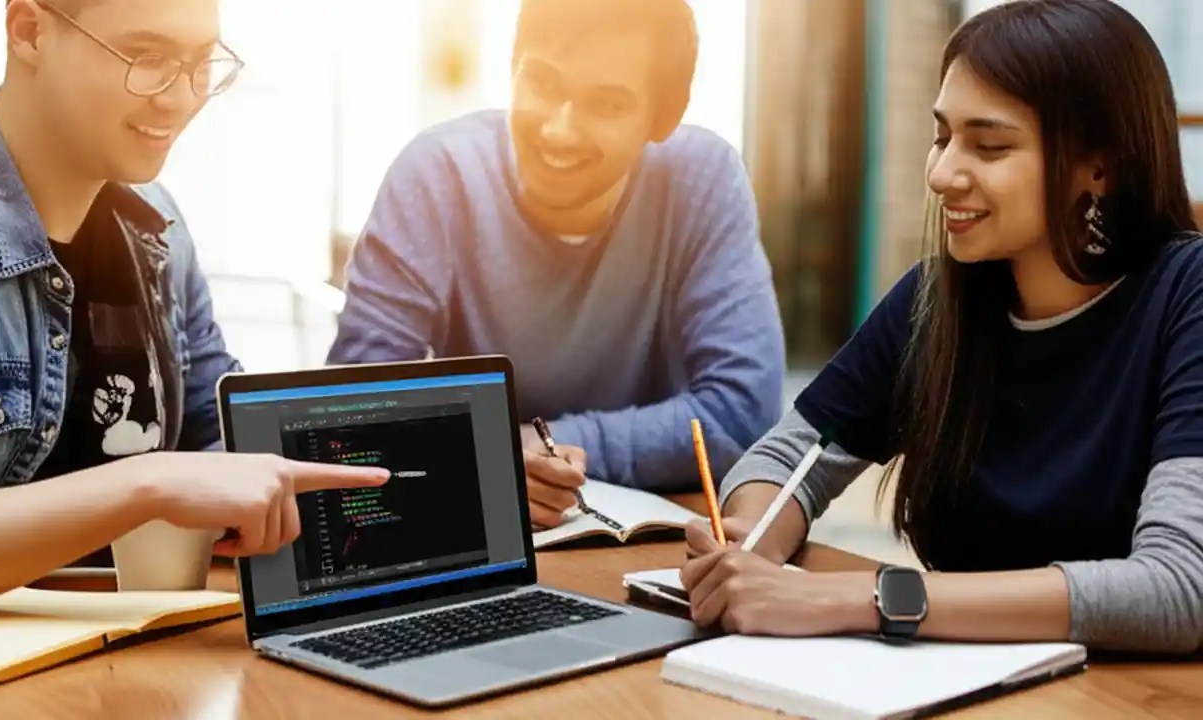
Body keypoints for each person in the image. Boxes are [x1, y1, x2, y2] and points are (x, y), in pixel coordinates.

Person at [682, 0, 1203, 654]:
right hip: (949, 682)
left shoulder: (1188, 295)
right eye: (941, 137)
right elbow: (787, 459)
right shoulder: (936, 300)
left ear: (1098, 166)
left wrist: (859, 599)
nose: (941, 175)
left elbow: (1179, 586)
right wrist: (751, 547)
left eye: (988, 145)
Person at [0, 0, 389, 614]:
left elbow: (222, 436)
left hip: (142, 659)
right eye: (146, 59)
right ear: (29, 30)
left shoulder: (157, 229)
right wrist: (145, 486)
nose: (180, 99)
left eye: (201, 64)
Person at [326, 0, 785, 528]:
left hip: (648, 542)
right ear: (513, 69)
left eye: (606, 105)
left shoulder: (701, 179)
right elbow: (353, 409)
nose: (559, 130)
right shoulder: (438, 174)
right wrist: (487, 463)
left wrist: (532, 448)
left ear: (662, 119)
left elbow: (741, 416)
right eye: (542, 84)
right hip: (472, 528)